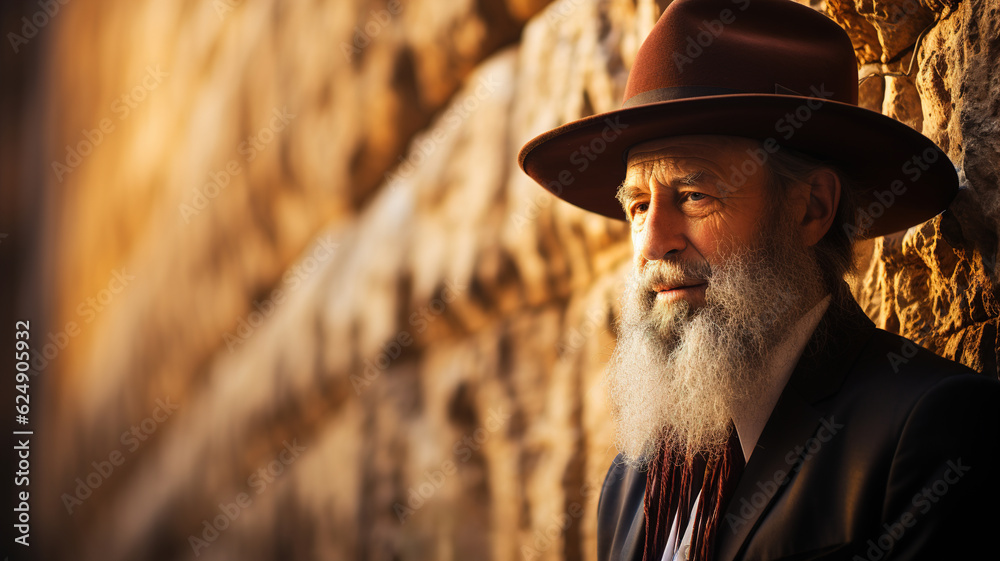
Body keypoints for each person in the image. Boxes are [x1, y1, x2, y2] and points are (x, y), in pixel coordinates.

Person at [517, 0, 1000, 559]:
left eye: (694, 196)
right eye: (639, 205)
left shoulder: (932, 431)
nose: (652, 244)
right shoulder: (630, 484)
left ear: (810, 209)